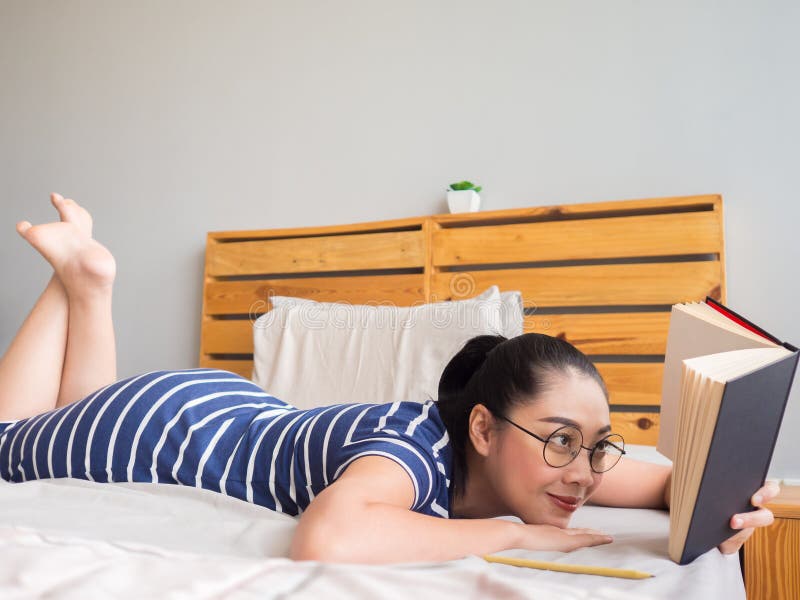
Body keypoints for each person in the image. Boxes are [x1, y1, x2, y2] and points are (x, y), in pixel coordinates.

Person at [0, 194, 778, 564]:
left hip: (228, 408)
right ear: (483, 429)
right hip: (170, 431)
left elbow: (662, 483)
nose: (582, 475)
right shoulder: (409, 450)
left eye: (597, 448)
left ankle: (87, 281)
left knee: (70, 413)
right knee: (8, 444)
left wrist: (740, 495)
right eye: (563, 443)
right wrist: (509, 532)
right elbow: (326, 537)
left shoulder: (535, 463)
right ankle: (75, 282)